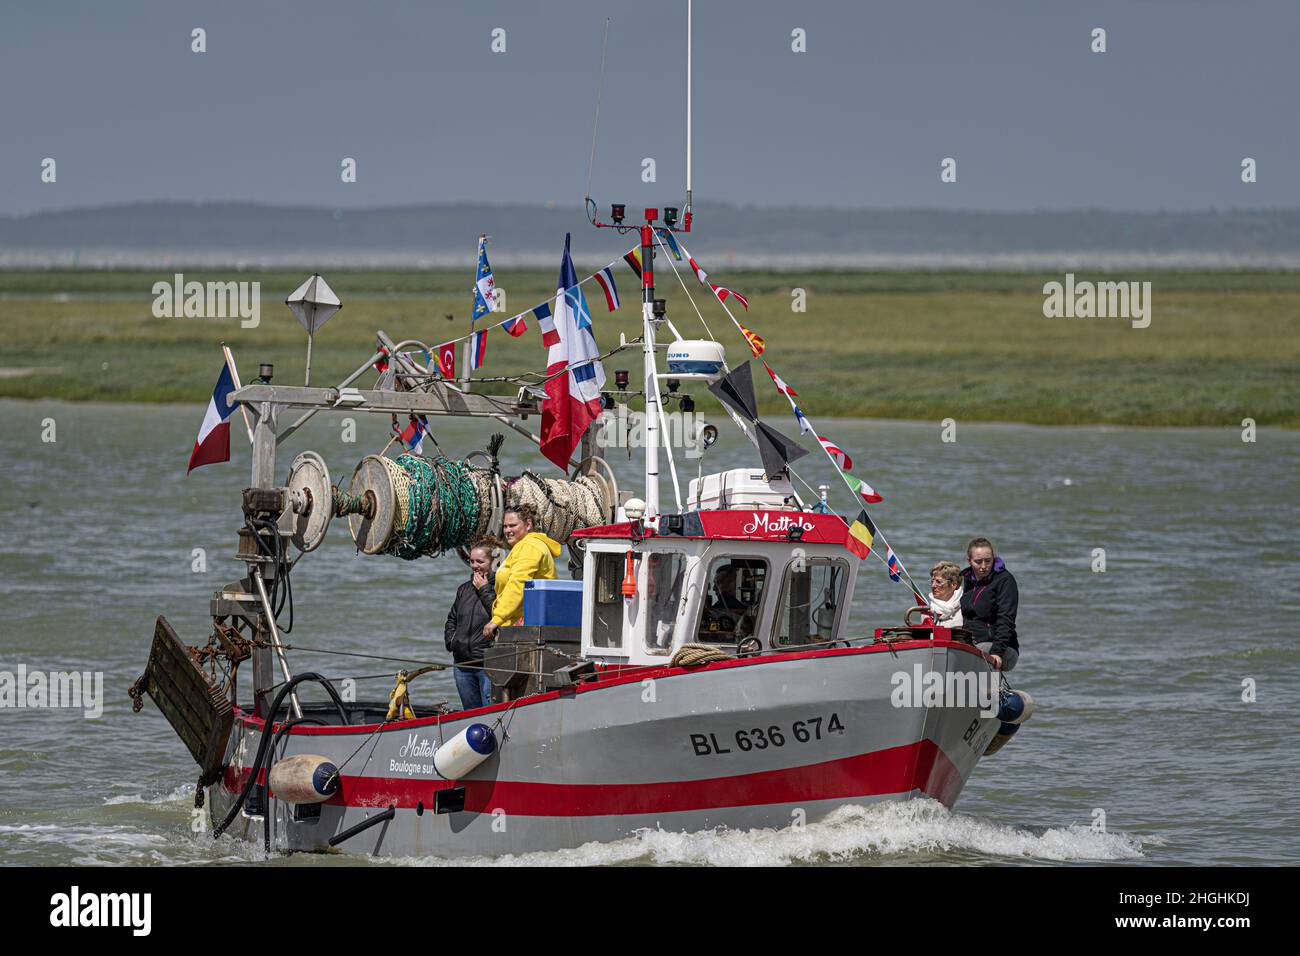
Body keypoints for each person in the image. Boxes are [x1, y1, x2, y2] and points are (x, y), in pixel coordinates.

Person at [481, 503, 561, 641]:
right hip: (519, 626)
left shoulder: (530, 546)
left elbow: (518, 583)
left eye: (512, 525)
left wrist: (497, 618)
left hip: (525, 630)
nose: (507, 531)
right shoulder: (523, 547)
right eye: (505, 526)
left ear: (528, 524)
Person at [444, 537, 503, 710]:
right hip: (462, 665)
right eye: (471, 561)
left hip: (486, 665)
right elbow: (451, 619)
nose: (475, 566)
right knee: (470, 714)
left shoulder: (500, 587)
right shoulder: (464, 588)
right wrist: (452, 642)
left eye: (480, 561)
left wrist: (484, 589)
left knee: (488, 713)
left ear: (493, 562)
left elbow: (499, 614)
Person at [959, 537, 1019, 671]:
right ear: (969, 561)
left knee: (961, 658)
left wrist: (997, 652)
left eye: (988, 561)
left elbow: (1006, 620)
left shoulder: (1005, 580)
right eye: (978, 562)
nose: (983, 566)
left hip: (1001, 647)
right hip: (971, 641)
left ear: (994, 558)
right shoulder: (966, 580)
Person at [927, 560, 964, 628]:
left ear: (953, 584)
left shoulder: (965, 608)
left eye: (938, 581)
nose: (933, 585)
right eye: (932, 581)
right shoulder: (927, 610)